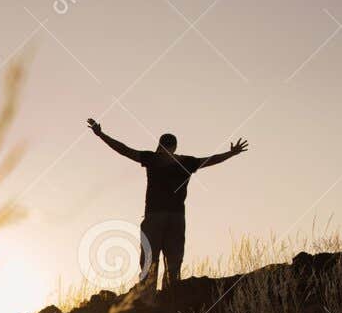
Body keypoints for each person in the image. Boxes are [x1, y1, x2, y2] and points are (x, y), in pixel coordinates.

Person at [87, 120, 248, 299]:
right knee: (173, 260)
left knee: (150, 260)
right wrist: (231, 153)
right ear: (175, 146)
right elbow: (210, 160)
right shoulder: (186, 162)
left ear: (160, 145)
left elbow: (124, 150)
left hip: (155, 216)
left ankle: (149, 299)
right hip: (176, 217)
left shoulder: (153, 159)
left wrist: (101, 135)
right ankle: (170, 297)